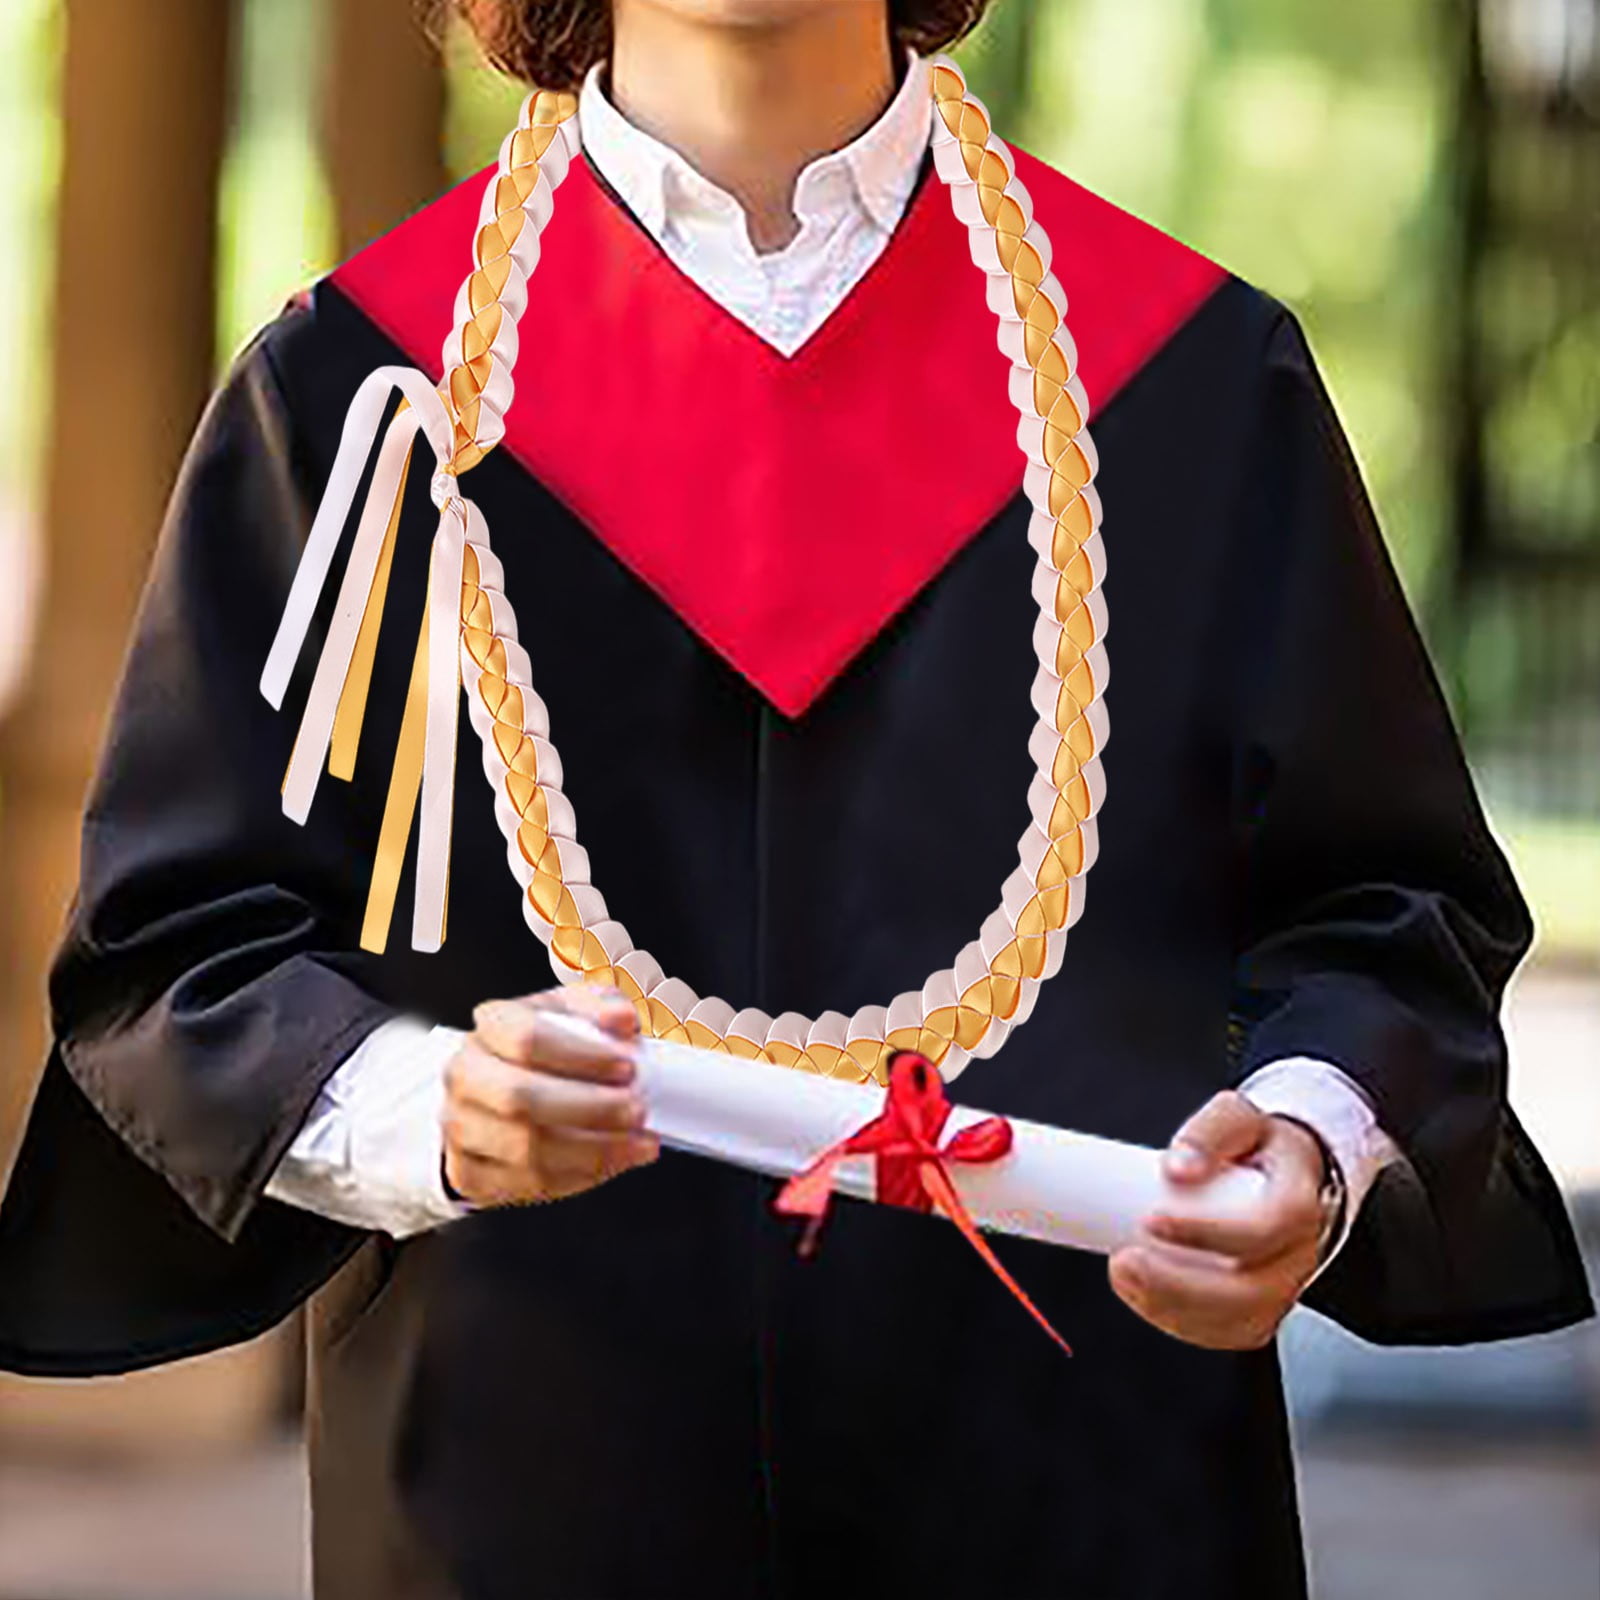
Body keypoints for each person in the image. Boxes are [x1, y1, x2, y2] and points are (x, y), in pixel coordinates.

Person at [0, 2, 1590, 1596]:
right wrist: (427, 1109)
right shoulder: (364, 401)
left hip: (1090, 1491)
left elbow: (1385, 910)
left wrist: (1309, 1145)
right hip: (529, 1495)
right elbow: (176, 956)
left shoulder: (1183, 382)